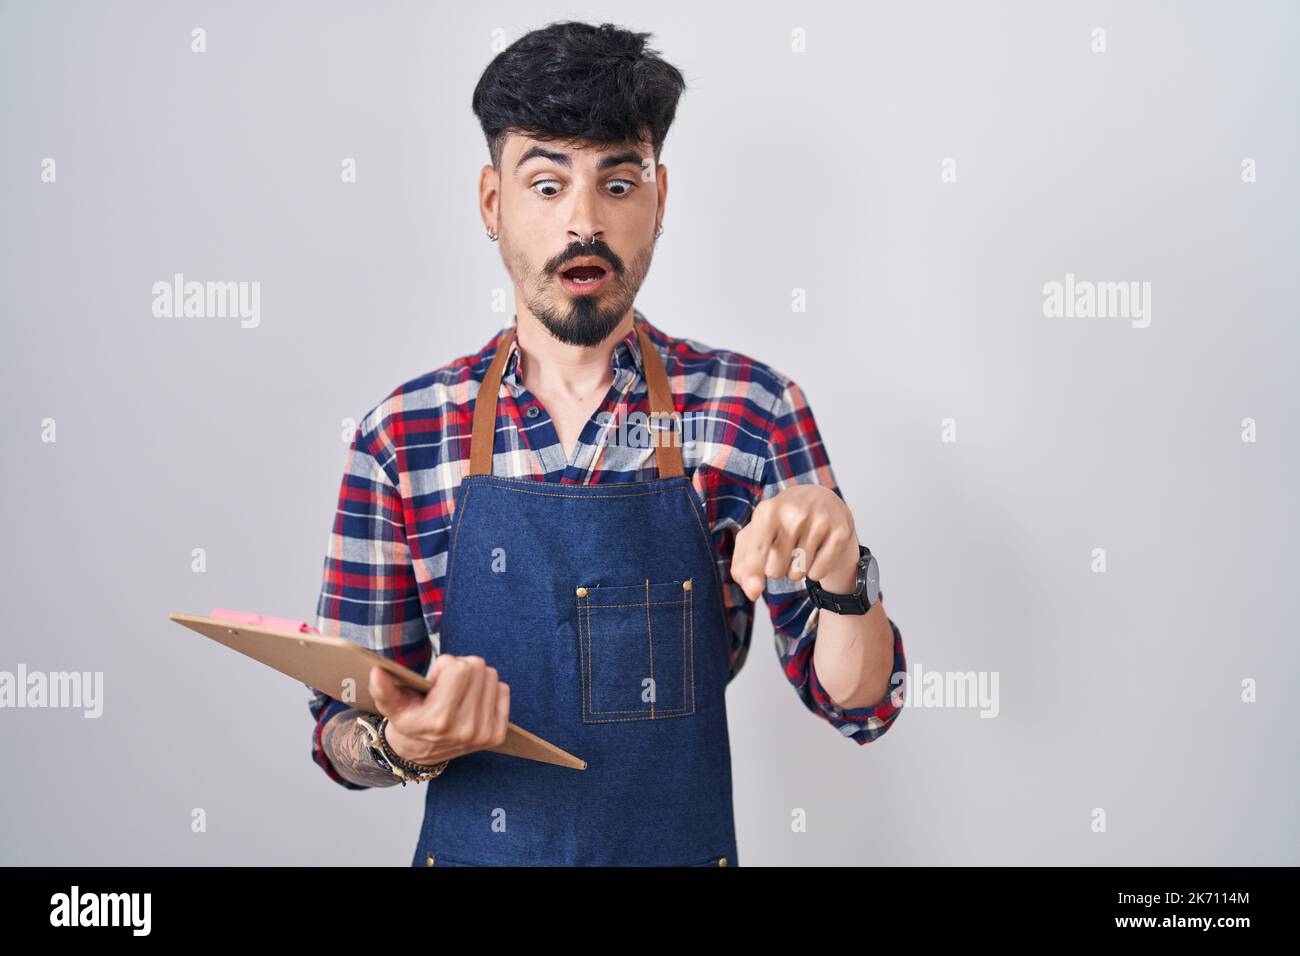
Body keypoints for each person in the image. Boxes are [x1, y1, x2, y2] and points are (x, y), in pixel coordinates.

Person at [308, 20, 907, 867]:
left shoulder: (749, 411)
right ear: (493, 203)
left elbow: (860, 701)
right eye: (547, 185)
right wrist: (399, 744)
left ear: (659, 202)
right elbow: (341, 728)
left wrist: (845, 574)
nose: (583, 221)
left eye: (618, 184)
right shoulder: (402, 436)